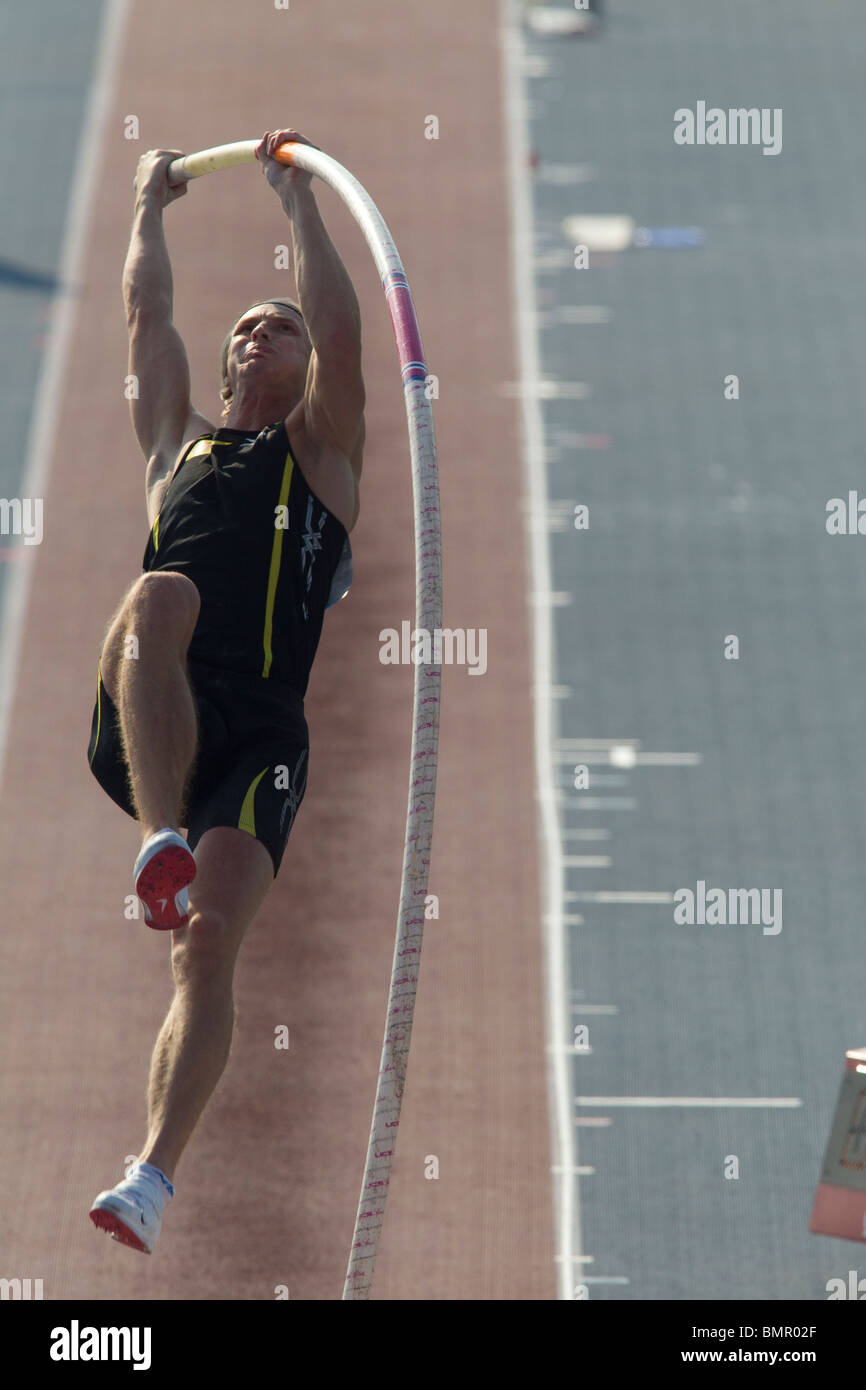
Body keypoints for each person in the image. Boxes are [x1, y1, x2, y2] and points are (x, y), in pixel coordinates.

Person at [87, 128, 365, 1253]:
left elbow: (345, 330)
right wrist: (150, 209)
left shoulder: (324, 454)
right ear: (227, 364)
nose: (264, 327)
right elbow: (146, 320)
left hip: (259, 733)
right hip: (150, 706)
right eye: (249, 323)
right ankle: (160, 837)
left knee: (206, 946)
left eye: (280, 322)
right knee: (158, 594)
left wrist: (297, 202)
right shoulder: (176, 448)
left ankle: (150, 1177)